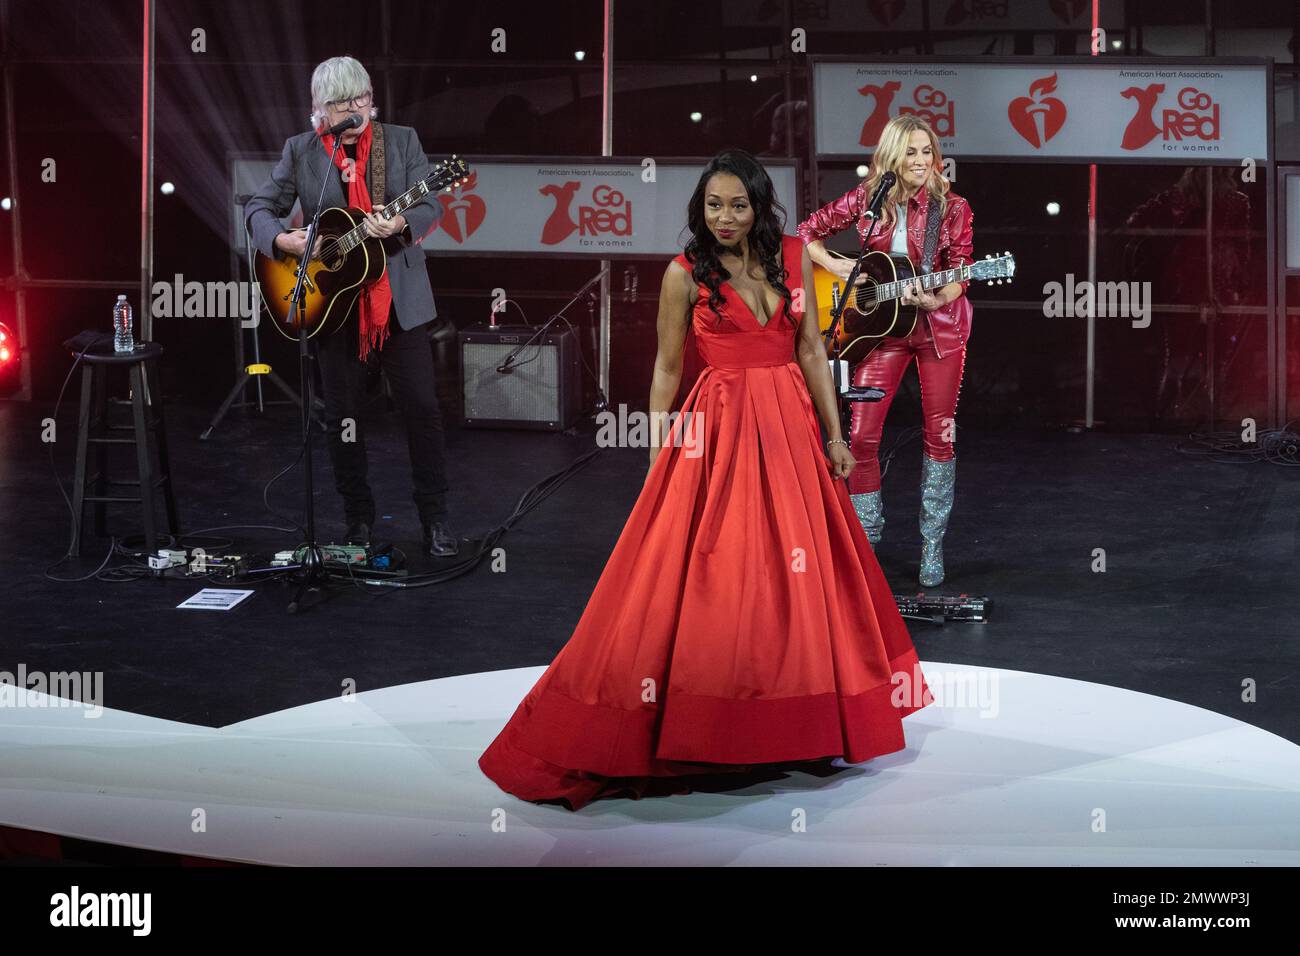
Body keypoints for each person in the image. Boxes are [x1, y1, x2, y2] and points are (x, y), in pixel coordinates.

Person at [478, 149, 932, 811]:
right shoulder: (682, 274)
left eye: (738, 205)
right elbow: (666, 370)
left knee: (796, 576)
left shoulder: (797, 254)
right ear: (701, 209)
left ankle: (795, 725)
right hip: (714, 431)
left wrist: (836, 435)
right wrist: (660, 450)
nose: (725, 217)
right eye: (714, 205)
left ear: (759, 208)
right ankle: (708, 723)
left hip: (788, 428)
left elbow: (810, 349)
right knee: (713, 577)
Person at [245, 55, 458, 557]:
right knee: (343, 416)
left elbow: (430, 204)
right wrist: (284, 242)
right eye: (342, 102)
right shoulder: (301, 151)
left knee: (423, 411)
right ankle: (357, 520)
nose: (355, 108)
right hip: (330, 307)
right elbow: (258, 208)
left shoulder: (400, 140)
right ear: (320, 108)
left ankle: (436, 518)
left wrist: (400, 224)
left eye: (361, 97)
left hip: (399, 305)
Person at [797, 115, 974, 587]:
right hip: (879, 330)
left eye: (927, 152)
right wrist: (836, 264)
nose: (921, 161)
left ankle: (932, 546)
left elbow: (960, 272)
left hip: (938, 331)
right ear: (892, 156)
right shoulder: (868, 200)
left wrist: (937, 296)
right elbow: (805, 233)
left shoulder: (950, 206)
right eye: (911, 152)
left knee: (940, 437)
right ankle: (866, 540)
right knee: (862, 438)